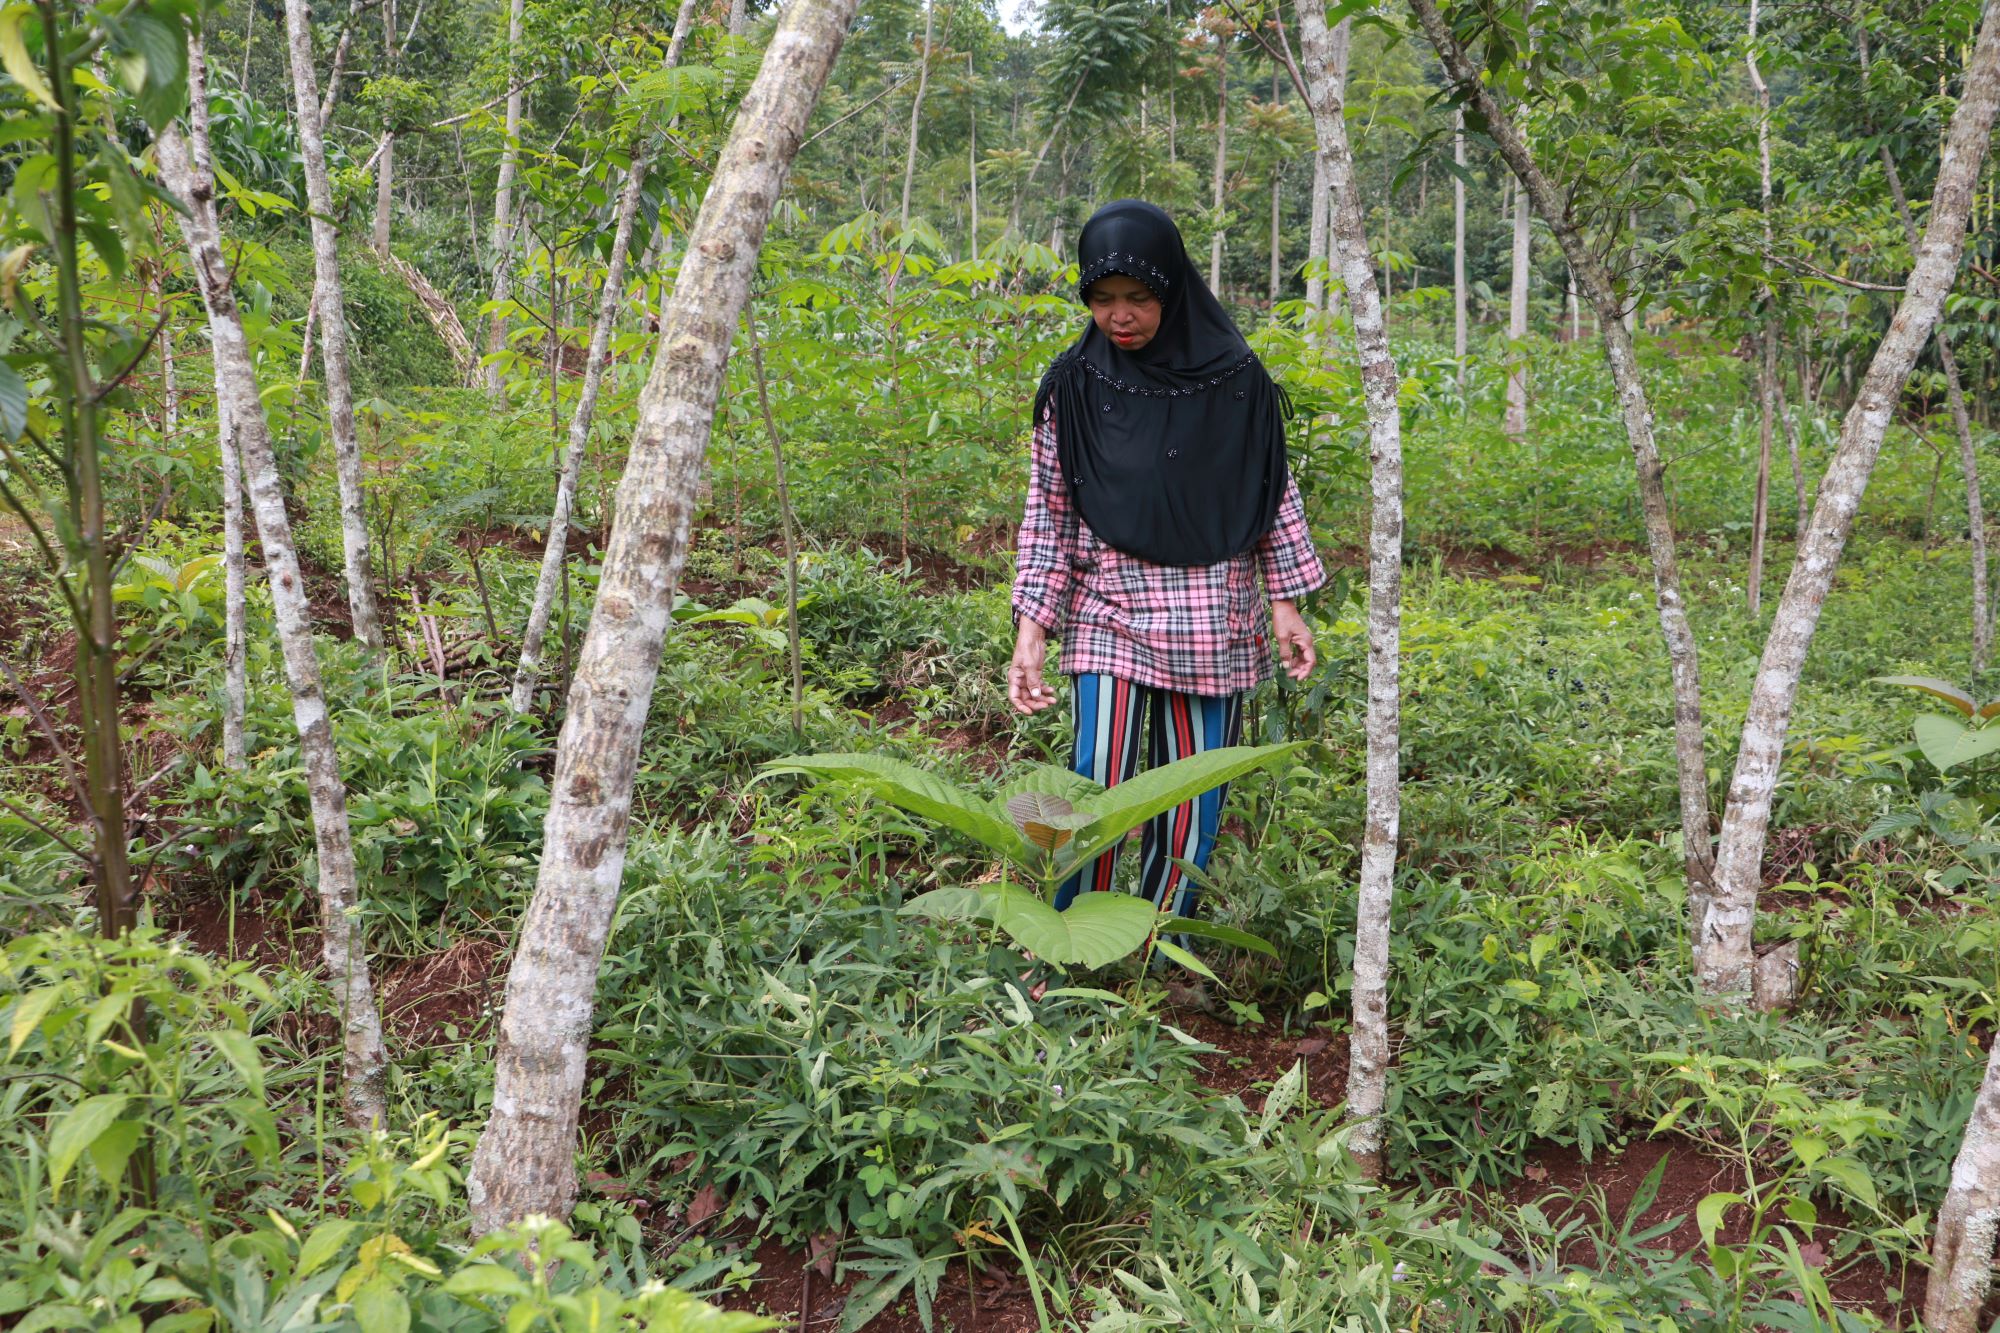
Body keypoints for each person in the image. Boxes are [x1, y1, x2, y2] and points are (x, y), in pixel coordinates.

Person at [1010, 199, 1326, 918]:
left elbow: (1271, 493)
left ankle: (1160, 940)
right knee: (1093, 783)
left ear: (1172, 290)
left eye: (1138, 298)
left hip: (1211, 613)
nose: (1119, 317)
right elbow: (1049, 511)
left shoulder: (1237, 380)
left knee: (1189, 797)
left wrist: (1284, 604)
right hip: (1109, 610)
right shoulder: (1074, 385)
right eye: (1102, 299)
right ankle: (1075, 938)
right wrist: (1033, 629)